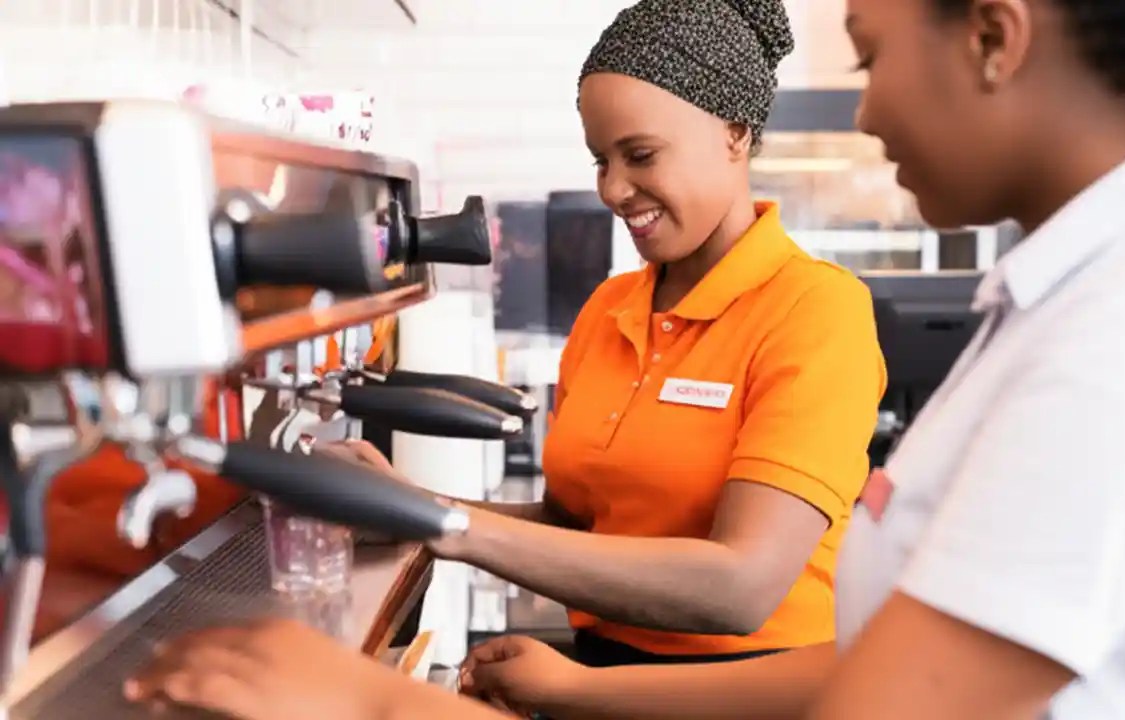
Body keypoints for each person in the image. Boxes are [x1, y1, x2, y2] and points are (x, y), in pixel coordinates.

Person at [124, 0, 1125, 717]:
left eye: (870, 56)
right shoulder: (1080, 302)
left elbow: (763, 606)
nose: (865, 115)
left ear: (992, 33)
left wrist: (372, 706)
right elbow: (872, 671)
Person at [123, 0, 885, 712]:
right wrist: (404, 504)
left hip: (741, 697)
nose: (614, 189)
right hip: (597, 668)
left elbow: (740, 588)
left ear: (736, 133)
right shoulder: (610, 309)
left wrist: (448, 525)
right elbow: (575, 526)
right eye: (600, 159)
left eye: (640, 154)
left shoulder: (816, 311)